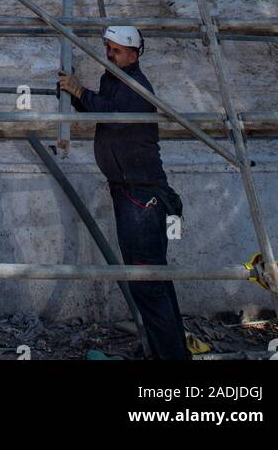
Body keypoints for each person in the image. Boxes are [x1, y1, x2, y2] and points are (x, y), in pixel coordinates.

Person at [58, 25, 191, 361]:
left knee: (147, 281)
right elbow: (100, 111)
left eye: (116, 50)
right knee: (151, 279)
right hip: (129, 193)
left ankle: (170, 359)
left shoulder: (136, 85)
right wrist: (75, 95)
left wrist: (80, 91)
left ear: (133, 53)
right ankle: (169, 352)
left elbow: (114, 117)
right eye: (108, 48)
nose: (109, 55)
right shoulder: (114, 79)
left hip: (141, 197)